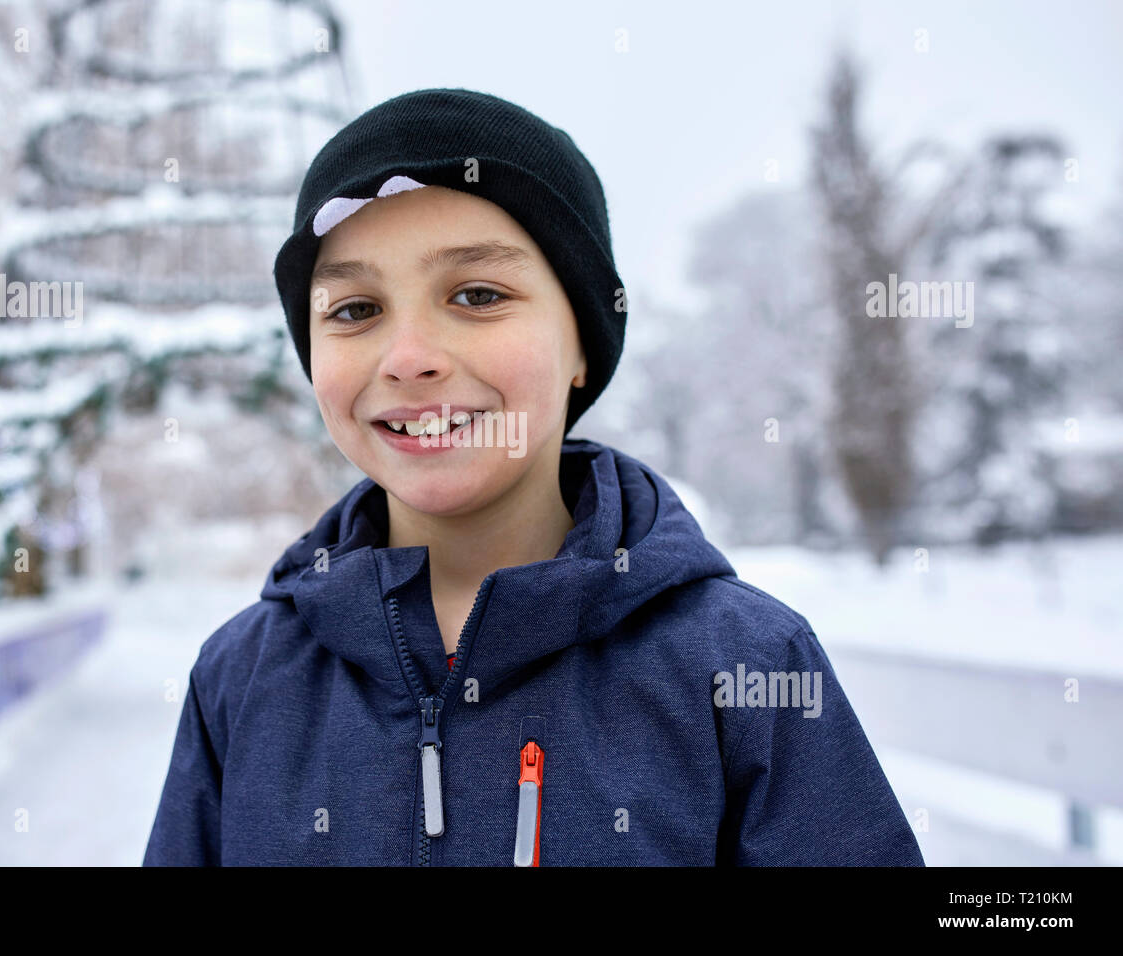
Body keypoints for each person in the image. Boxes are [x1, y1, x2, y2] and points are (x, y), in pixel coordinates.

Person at [142, 87, 925, 866]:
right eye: (353, 310)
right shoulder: (239, 681)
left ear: (582, 341)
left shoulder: (745, 665)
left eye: (477, 295)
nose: (409, 355)